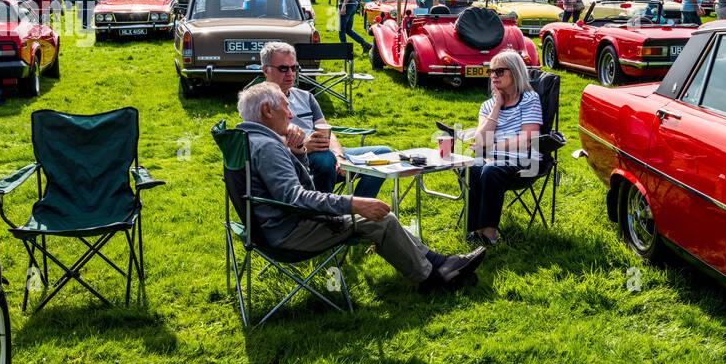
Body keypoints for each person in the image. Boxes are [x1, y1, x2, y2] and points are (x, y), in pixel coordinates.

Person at [231, 83, 485, 293]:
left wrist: (297, 153)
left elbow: (288, 191)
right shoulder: (267, 146)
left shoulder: (246, 140)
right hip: (288, 234)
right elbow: (296, 197)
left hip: (267, 229)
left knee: (381, 217)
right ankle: (434, 279)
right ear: (267, 110)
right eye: (286, 108)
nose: (290, 115)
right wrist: (354, 203)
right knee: (379, 221)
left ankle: (441, 264)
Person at [259, 42, 391, 197]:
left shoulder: (306, 97)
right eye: (283, 68)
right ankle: (324, 215)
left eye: (294, 68)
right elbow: (261, 143)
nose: (290, 73)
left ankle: (359, 211)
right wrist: (302, 147)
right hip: (296, 161)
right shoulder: (258, 101)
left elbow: (325, 130)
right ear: (265, 70)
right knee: (325, 159)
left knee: (384, 154)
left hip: (326, 154)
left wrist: (339, 155)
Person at [466, 50, 543, 246]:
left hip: (524, 161)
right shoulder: (488, 105)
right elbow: (480, 139)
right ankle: (474, 230)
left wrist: (492, 148)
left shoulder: (529, 99)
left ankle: (489, 235)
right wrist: (497, 106)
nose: (493, 75)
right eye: (491, 71)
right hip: (492, 158)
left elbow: (528, 138)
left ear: (515, 72)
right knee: (471, 168)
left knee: (490, 169)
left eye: (499, 71)